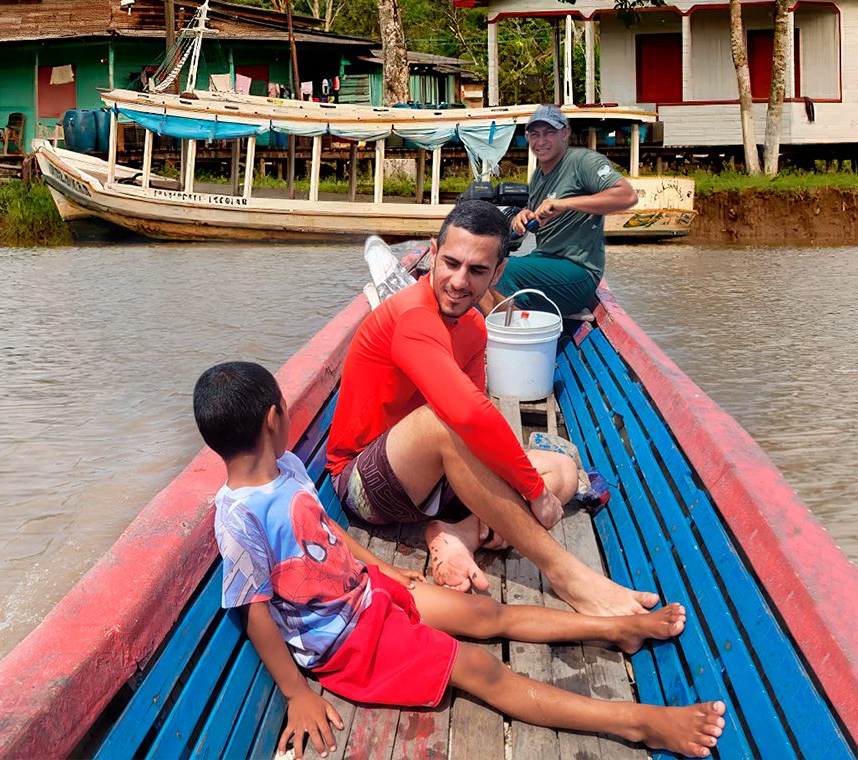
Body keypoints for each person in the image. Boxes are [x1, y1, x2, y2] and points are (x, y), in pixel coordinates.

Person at [193, 360, 725, 759]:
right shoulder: (237, 517)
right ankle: (639, 723)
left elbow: (326, 528)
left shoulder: (287, 467)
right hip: (348, 642)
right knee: (480, 667)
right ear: (274, 416)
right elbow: (255, 610)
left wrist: (375, 569)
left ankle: (619, 630)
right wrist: (296, 693)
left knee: (485, 615)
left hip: (366, 591)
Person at [327, 199, 658, 618]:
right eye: (450, 263)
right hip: (368, 483)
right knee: (444, 423)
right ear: (432, 252)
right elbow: (465, 415)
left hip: (434, 479)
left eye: (477, 270)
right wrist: (531, 493)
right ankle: (567, 575)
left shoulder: (474, 327)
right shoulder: (413, 317)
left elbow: (478, 417)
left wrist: (526, 481)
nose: (458, 281)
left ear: (498, 273)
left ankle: (459, 533)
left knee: (564, 472)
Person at [481, 104, 639, 317]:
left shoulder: (583, 162)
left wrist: (566, 204)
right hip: (545, 262)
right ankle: (498, 332)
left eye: (549, 133)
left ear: (565, 133)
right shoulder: (539, 175)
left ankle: (517, 336)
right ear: (527, 137)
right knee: (483, 265)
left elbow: (627, 195)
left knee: (503, 272)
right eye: (535, 134)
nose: (541, 141)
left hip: (578, 272)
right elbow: (540, 217)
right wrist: (524, 215)